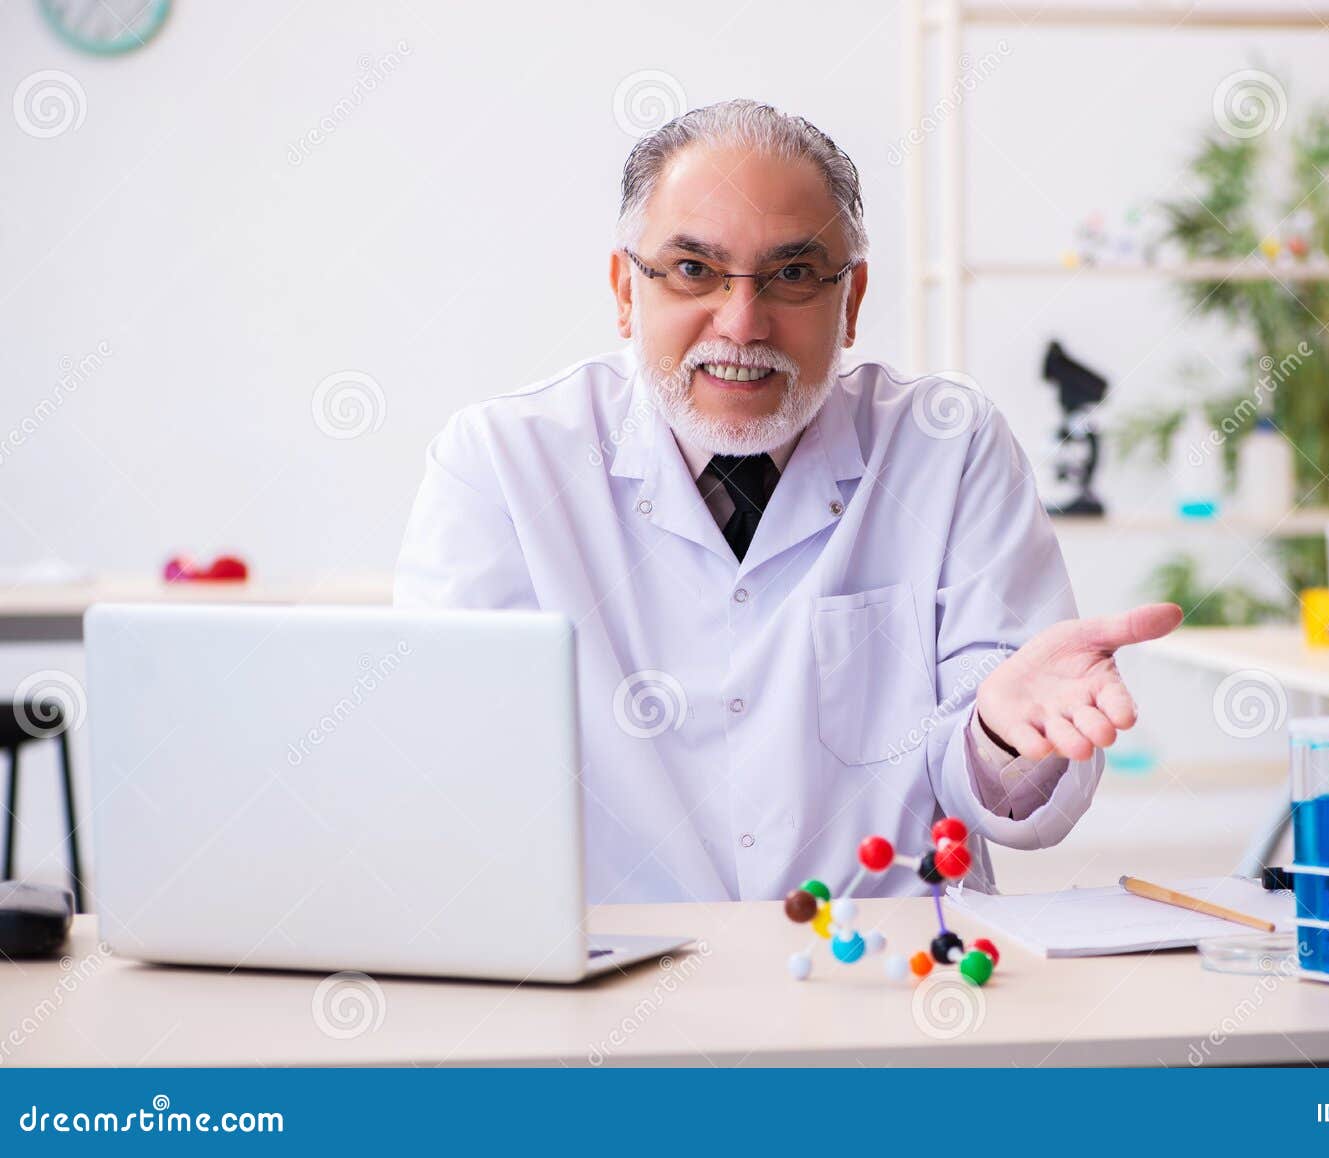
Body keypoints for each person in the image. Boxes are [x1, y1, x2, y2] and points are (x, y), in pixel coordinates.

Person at [394, 99, 1182, 903]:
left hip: (889, 984)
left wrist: (1003, 732)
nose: (742, 323)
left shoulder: (947, 445)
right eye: (694, 269)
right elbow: (444, 769)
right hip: (610, 982)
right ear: (625, 290)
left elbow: (1001, 785)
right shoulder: (502, 463)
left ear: (853, 300)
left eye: (794, 274)